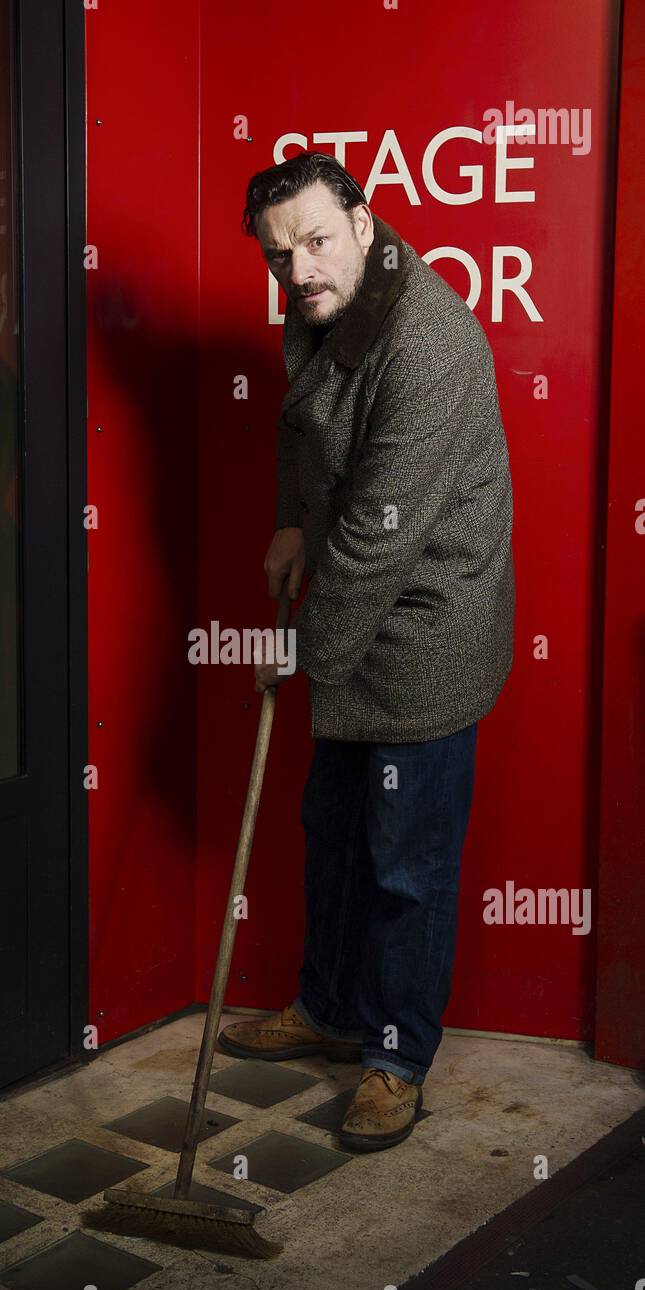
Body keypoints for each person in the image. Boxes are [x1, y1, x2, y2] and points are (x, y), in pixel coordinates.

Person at [218, 152, 515, 1152]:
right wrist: (288, 523)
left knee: (404, 866)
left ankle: (394, 1058)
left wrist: (295, 647)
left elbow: (381, 540)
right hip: (352, 605)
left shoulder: (427, 345)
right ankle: (331, 1007)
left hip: (425, 626)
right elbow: (305, 432)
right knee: (333, 827)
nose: (297, 270)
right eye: (278, 255)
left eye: (314, 240)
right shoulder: (323, 302)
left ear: (362, 218)